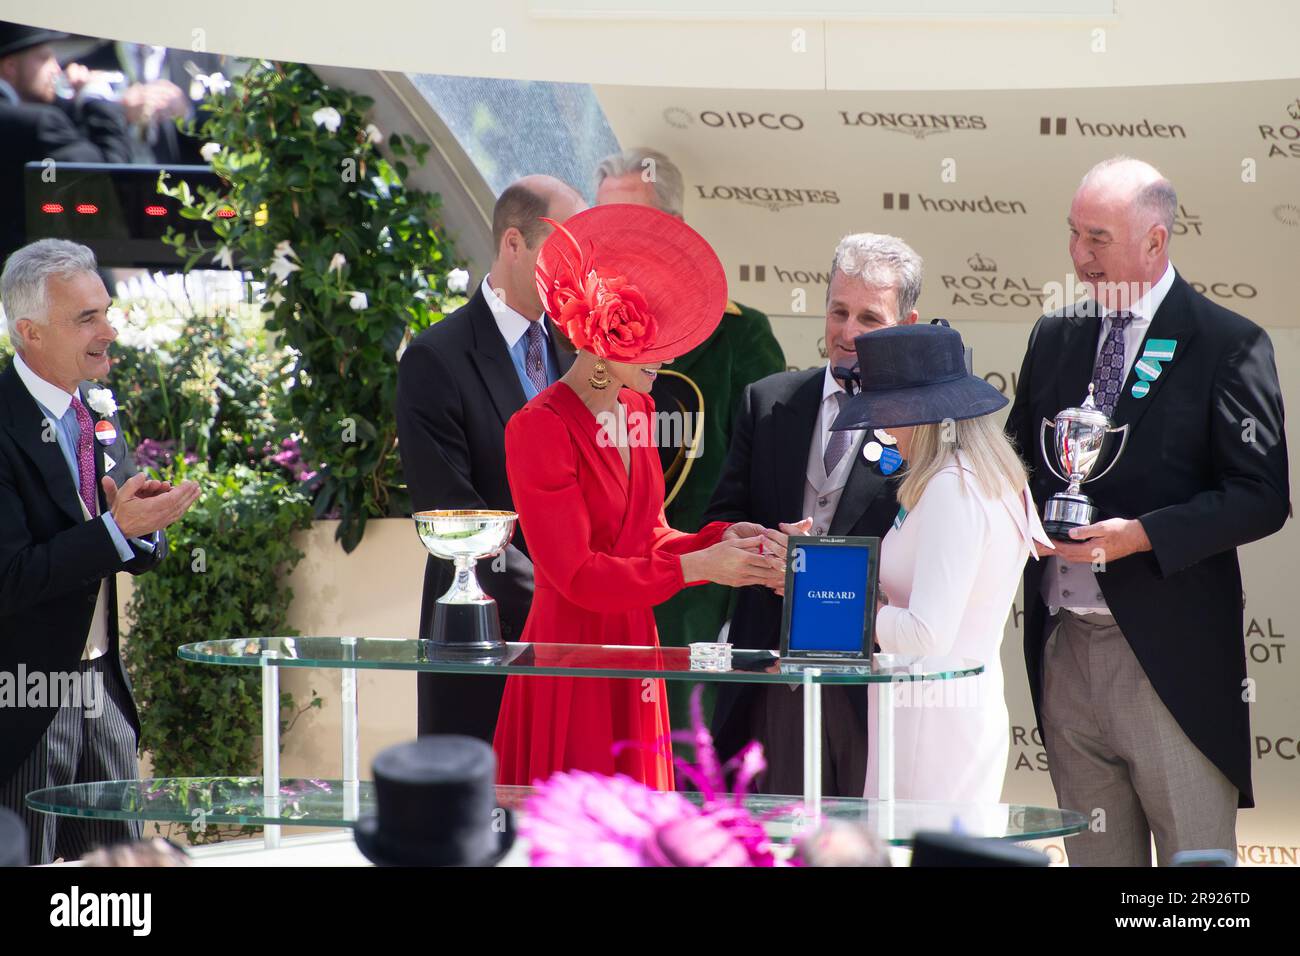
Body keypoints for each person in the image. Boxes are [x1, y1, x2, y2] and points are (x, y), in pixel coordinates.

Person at [1007, 156, 1290, 865]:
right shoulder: (1056, 335)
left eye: (1098, 238)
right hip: (1064, 648)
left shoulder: (1229, 343)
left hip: (1167, 661)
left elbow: (1261, 496)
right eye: (1073, 234)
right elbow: (1014, 461)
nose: (1079, 255)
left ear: (1156, 242)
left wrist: (1141, 538)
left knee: (1195, 882)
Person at [492, 203, 785, 788]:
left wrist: (722, 539)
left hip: (636, 642)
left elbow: (649, 535)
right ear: (605, 347)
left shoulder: (637, 408)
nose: (670, 354)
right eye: (652, 339)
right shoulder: (538, 428)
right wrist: (701, 566)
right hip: (570, 654)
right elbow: (577, 574)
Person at [0, 238, 200, 865]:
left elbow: (123, 535)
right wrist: (116, 532)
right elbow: (11, 577)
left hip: (105, 693)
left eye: (105, 312)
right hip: (25, 700)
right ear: (28, 332)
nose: (108, 331)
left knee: (119, 887)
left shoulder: (97, 411)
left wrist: (144, 528)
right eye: (86, 318)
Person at [704, 233, 918, 796]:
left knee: (859, 844)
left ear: (907, 323)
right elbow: (723, 520)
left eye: (869, 318)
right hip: (769, 674)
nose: (847, 333)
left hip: (868, 687)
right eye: (839, 311)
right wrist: (760, 546)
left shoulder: (923, 428)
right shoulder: (767, 401)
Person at [595, 147, 786, 732]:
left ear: (673, 232)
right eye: (603, 228)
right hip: (597, 596)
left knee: (688, 778)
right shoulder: (575, 337)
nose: (614, 243)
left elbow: (771, 476)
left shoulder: (738, 336)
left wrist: (741, 599)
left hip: (699, 607)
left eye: (632, 225)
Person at [827, 323, 1051, 803]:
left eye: (889, 413)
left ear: (923, 413)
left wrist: (844, 608)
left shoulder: (955, 486)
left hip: (928, 729)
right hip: (938, 716)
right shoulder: (982, 479)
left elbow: (927, 635)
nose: (883, 430)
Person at [397, 175, 585, 742]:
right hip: (481, 640)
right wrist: (569, 595)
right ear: (512, 243)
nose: (577, 272)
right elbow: (454, 516)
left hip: (572, 650)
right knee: (480, 822)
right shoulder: (435, 358)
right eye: (563, 252)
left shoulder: (577, 353)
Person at [0, 24, 133, 263]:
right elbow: (111, 176)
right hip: (30, 279)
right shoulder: (41, 124)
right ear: (9, 66)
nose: (55, 68)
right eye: (44, 58)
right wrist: (96, 99)